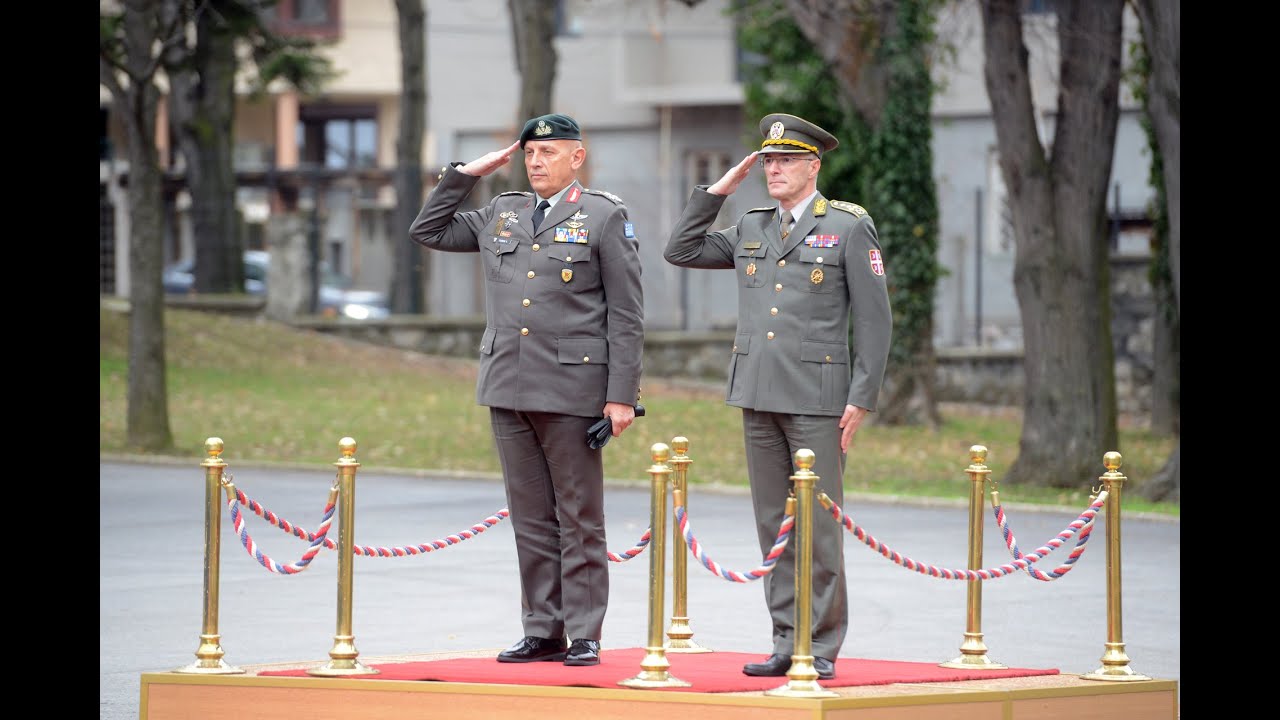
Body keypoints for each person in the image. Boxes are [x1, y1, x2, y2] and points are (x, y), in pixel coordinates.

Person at [408, 113, 644, 667]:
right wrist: (464, 175)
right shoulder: (502, 212)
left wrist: (621, 394)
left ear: (576, 157)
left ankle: (584, 630)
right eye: (530, 154)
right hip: (508, 383)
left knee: (578, 515)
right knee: (530, 516)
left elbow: (627, 316)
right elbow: (428, 231)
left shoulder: (603, 217)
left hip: (573, 388)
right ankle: (543, 627)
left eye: (549, 153)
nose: (536, 163)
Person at [662, 113, 892, 680]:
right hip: (758, 393)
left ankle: (823, 644)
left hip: (818, 397)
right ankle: (786, 639)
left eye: (785, 160)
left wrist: (861, 397)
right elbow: (681, 250)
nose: (774, 169)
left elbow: (875, 321)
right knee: (774, 526)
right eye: (767, 160)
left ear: (813, 166)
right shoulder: (751, 224)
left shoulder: (846, 225)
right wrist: (719, 190)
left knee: (818, 526)